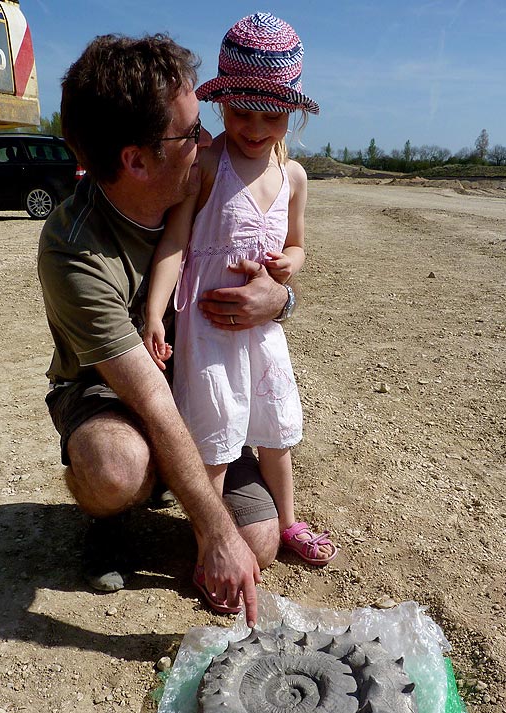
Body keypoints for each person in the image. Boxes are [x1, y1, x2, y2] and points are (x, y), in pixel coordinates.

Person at [37, 34, 297, 627]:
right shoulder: (74, 250)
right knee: (116, 466)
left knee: (259, 543)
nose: (208, 142)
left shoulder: (205, 187)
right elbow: (151, 400)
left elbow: (276, 264)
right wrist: (215, 534)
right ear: (136, 160)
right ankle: (112, 516)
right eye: (191, 133)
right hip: (114, 392)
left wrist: (280, 300)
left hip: (205, 386)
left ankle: (179, 482)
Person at [143, 11, 338, 589]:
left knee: (274, 430)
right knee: (215, 437)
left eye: (271, 115)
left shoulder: (293, 176)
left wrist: (290, 264)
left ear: (292, 114)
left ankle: (289, 520)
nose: (254, 128)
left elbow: (298, 244)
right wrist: (155, 312)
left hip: (262, 334)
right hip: (206, 331)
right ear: (221, 103)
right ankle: (209, 543)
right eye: (241, 112)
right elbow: (176, 241)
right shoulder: (208, 164)